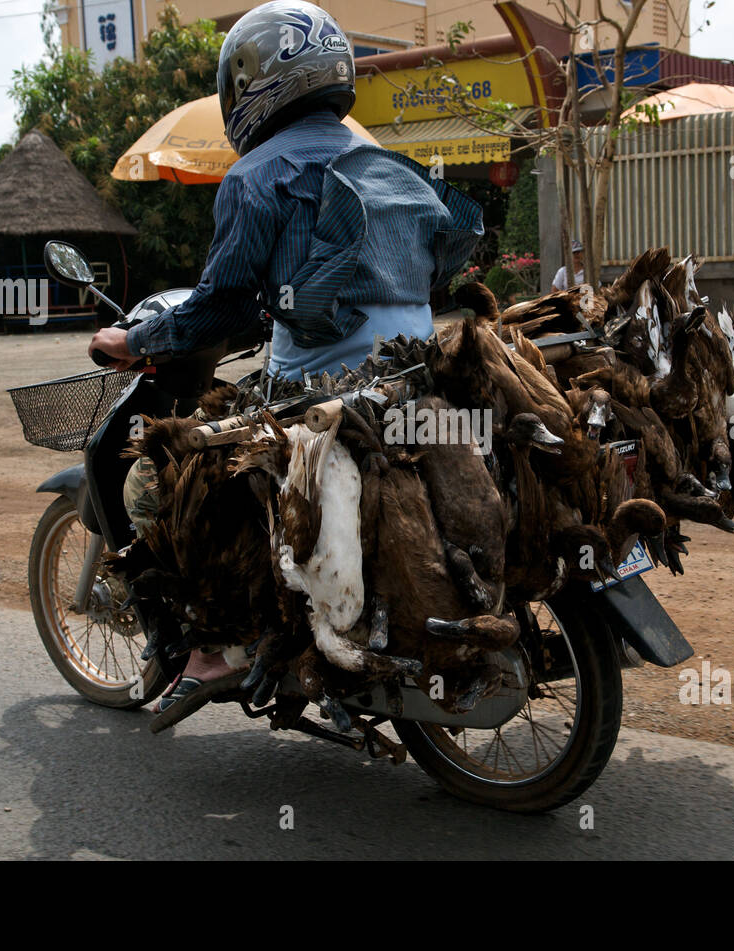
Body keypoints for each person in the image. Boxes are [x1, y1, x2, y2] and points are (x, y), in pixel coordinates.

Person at [89, 0, 483, 717]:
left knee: (155, 484)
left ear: (254, 85)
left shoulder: (256, 176)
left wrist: (134, 339)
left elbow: (221, 308)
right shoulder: (390, 166)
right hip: (412, 376)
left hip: (321, 391)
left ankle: (212, 650)